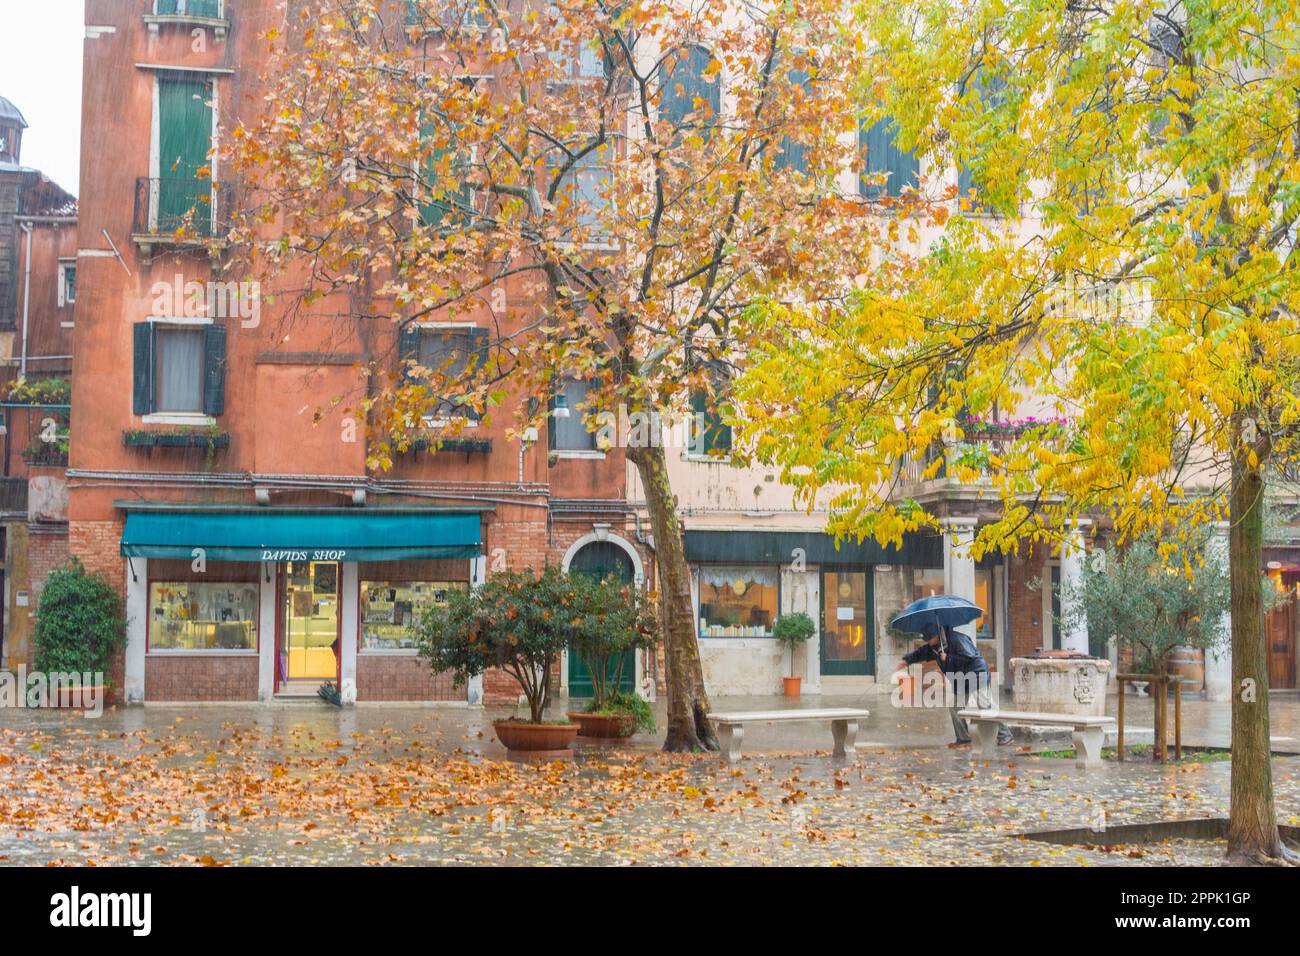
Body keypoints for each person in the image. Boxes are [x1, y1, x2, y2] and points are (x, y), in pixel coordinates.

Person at [896, 622, 1012, 747]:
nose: (928, 642)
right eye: (926, 639)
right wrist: (907, 660)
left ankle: (1005, 734)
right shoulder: (934, 646)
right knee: (956, 708)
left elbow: (969, 657)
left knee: (984, 704)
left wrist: (949, 658)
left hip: (977, 674)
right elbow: (922, 652)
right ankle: (964, 739)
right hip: (960, 679)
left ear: (937, 635)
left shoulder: (957, 639)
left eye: (929, 638)